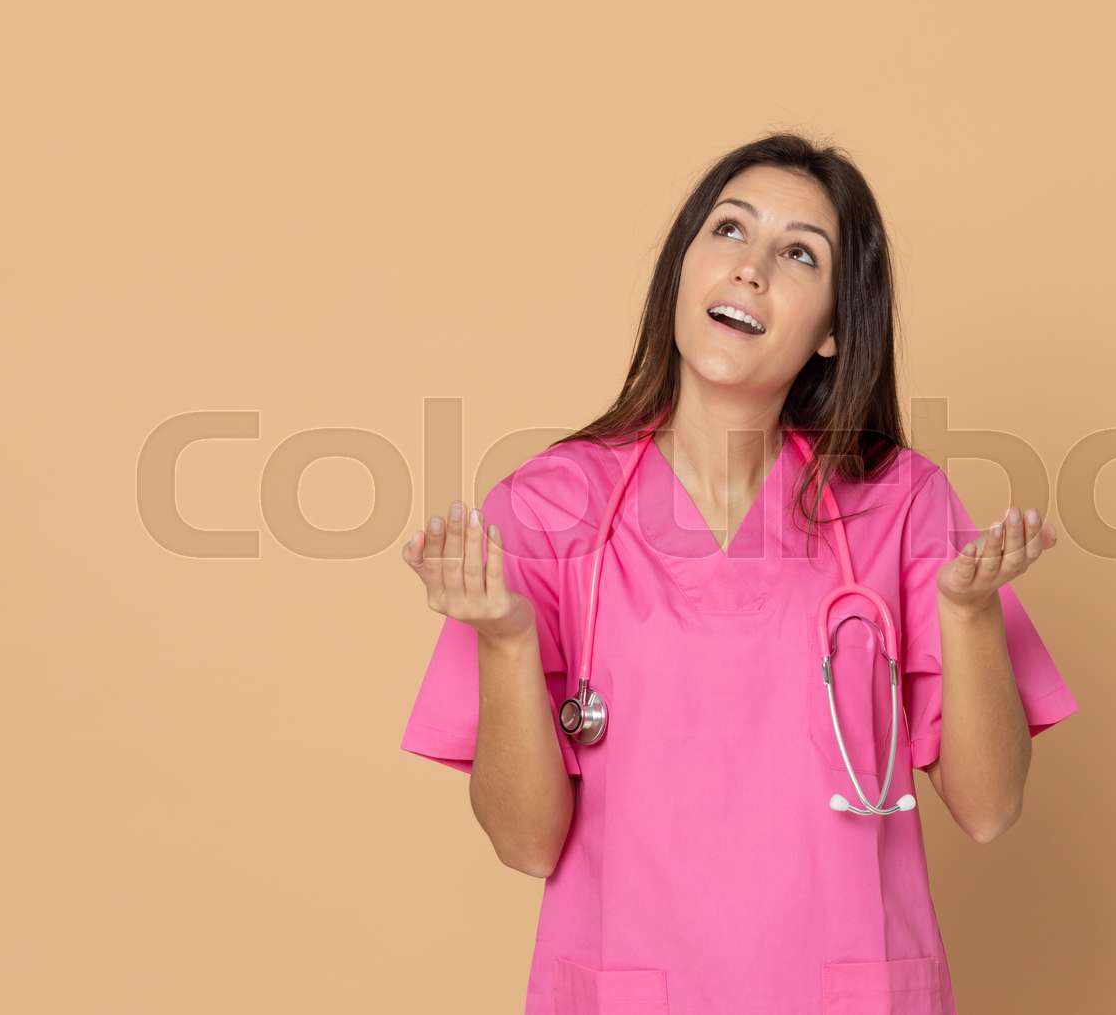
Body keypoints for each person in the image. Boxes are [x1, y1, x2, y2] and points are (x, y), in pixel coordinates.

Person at [397, 131, 1079, 1014]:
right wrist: (505, 639)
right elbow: (528, 844)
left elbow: (987, 810)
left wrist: (972, 617)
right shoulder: (548, 507)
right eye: (729, 230)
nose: (751, 268)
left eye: (799, 253)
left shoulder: (900, 503)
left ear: (836, 328)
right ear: (681, 271)